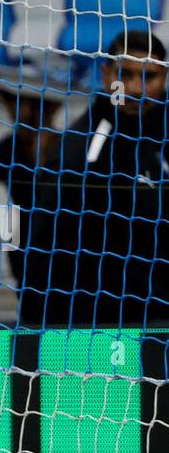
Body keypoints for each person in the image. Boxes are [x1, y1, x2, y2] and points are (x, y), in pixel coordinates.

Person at [21, 29, 169, 327]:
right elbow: (43, 245)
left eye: (147, 77)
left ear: (163, 77)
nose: (135, 88)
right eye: (124, 74)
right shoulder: (80, 148)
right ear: (105, 75)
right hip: (101, 327)